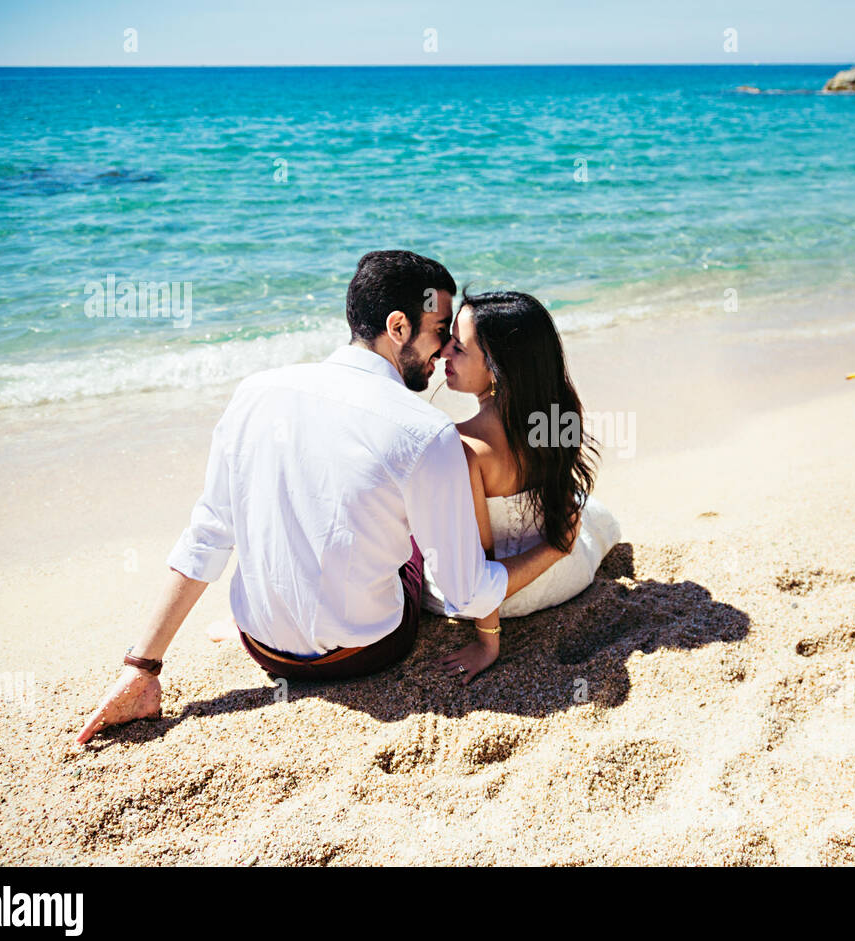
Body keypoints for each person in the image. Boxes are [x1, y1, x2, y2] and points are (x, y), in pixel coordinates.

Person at [76, 251, 574, 745]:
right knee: (411, 518)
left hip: (263, 647)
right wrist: (554, 546)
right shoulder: (426, 431)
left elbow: (207, 535)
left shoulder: (255, 391)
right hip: (365, 650)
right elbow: (468, 593)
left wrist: (142, 666)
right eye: (441, 330)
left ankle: (272, 599)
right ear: (398, 327)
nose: (444, 348)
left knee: (298, 488)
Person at [430, 290, 621, 685]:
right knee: (590, 511)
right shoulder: (553, 415)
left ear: (496, 368)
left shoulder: (464, 449)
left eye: (458, 347)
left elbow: (478, 565)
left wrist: (488, 644)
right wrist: (557, 546)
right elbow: (563, 513)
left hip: (500, 596)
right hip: (564, 576)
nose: (443, 351)